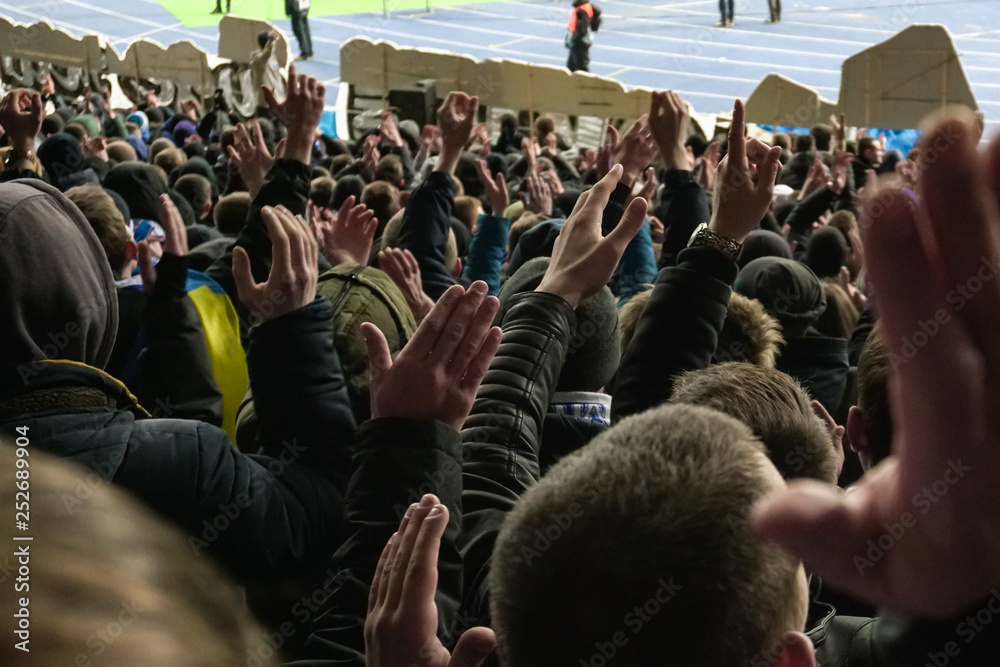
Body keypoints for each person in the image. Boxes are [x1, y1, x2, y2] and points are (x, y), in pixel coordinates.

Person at [566, 0, 601, 72]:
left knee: (581, 67)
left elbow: (582, 30)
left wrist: (573, 40)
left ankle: (583, 82)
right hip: (578, 41)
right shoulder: (583, 7)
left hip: (579, 43)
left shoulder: (582, 10)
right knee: (571, 66)